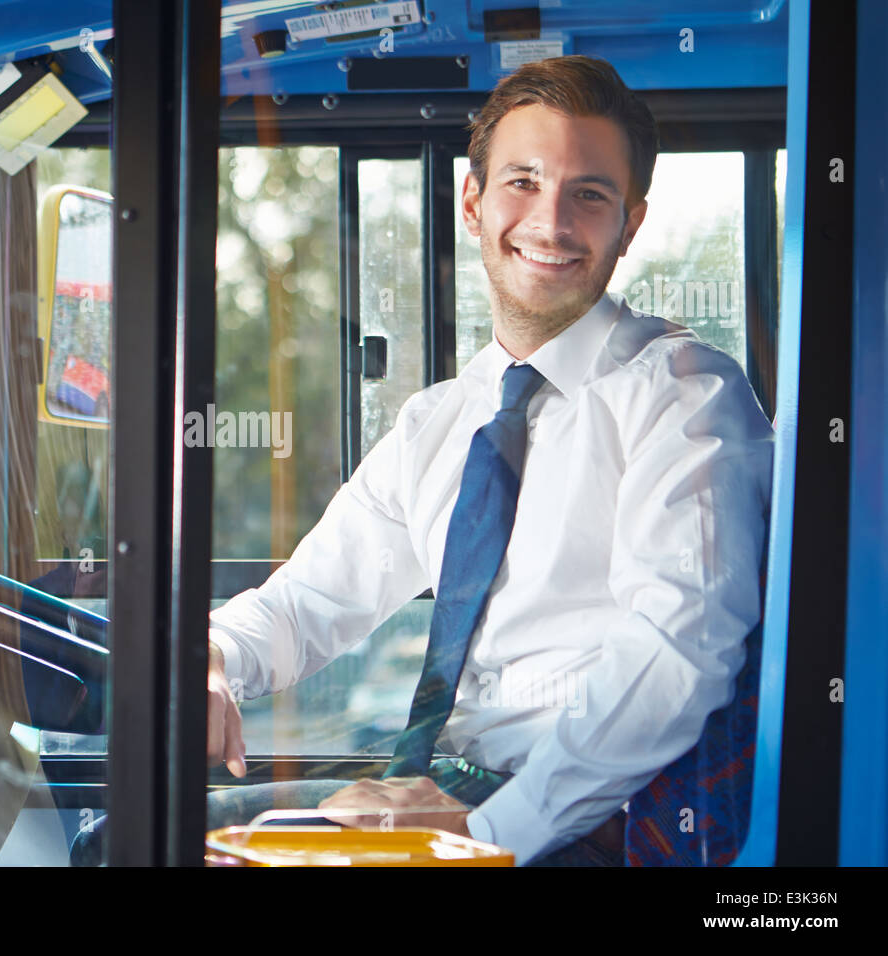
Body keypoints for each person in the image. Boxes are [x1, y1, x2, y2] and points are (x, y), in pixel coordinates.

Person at [73, 54, 772, 866]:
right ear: (472, 203)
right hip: (451, 783)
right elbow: (306, 603)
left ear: (631, 223)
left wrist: (485, 834)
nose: (550, 222)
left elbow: (677, 650)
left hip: (584, 819)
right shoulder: (441, 422)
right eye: (523, 181)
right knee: (124, 841)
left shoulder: (682, 399)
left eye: (589, 194)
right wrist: (215, 657)